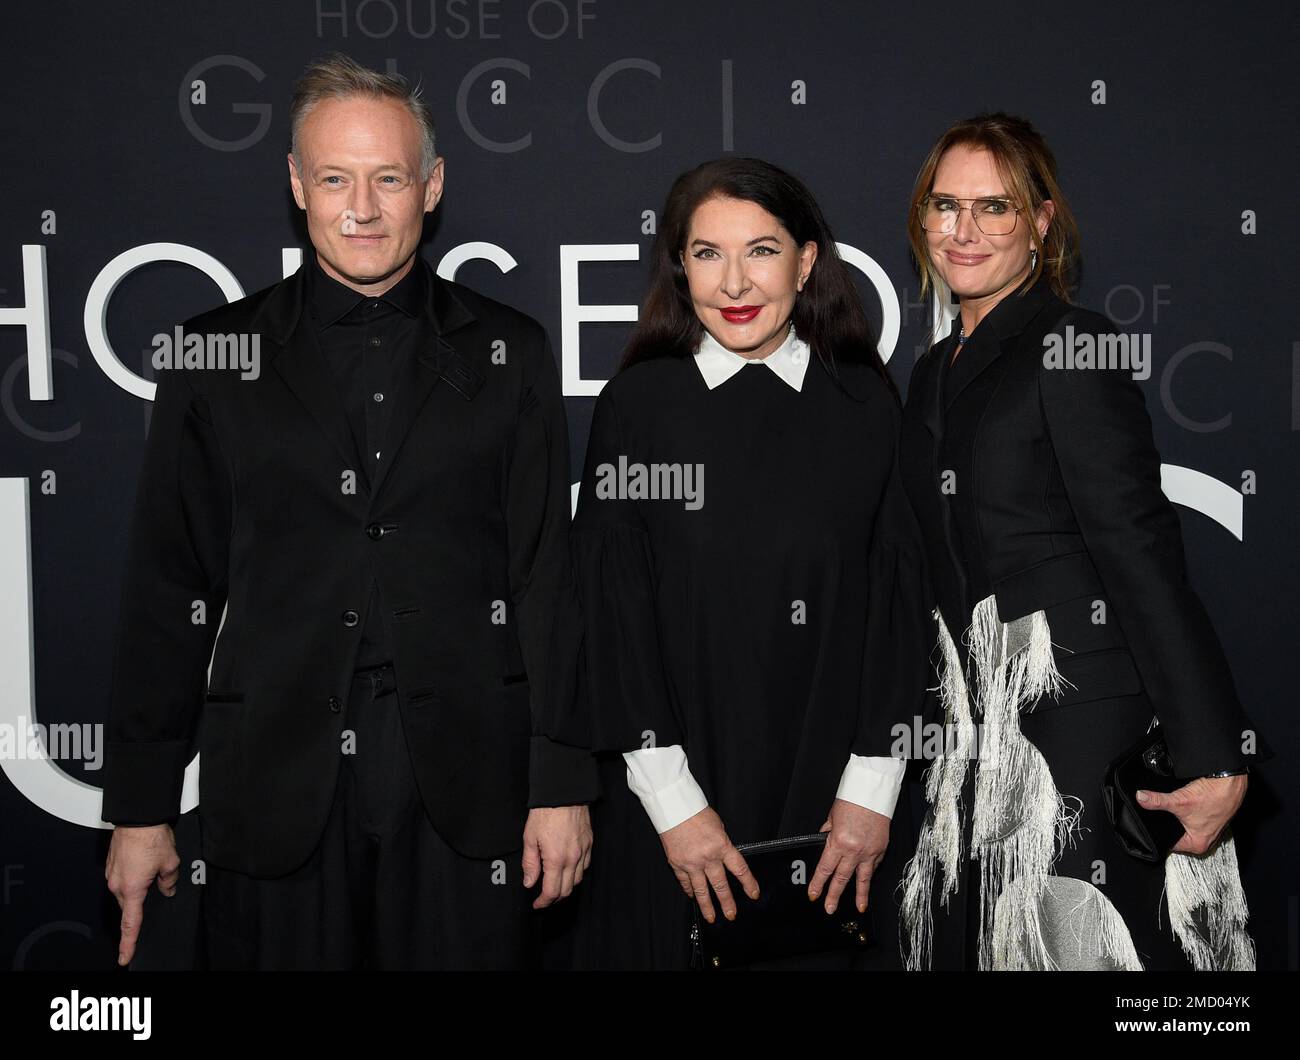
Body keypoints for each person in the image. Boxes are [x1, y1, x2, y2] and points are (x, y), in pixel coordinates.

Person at [100, 53, 596, 970]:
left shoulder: (510, 352)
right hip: (275, 778)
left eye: (388, 179)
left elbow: (544, 578)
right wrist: (140, 804)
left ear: (432, 187)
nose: (361, 208)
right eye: (335, 178)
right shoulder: (215, 357)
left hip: (464, 786)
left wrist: (560, 780)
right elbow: (170, 588)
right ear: (297, 185)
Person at [896, 112, 1262, 971]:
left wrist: (1215, 751)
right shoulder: (930, 372)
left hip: (1083, 726)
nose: (966, 230)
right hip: (979, 735)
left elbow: (1138, 545)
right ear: (922, 220)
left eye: (996, 207)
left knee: (1089, 946)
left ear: (1042, 223)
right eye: (946, 206)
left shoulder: (1071, 342)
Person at [570, 157, 929, 970]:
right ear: (680, 267)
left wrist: (871, 796)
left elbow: (901, 609)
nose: (735, 281)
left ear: (806, 263)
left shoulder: (867, 404)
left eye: (762, 251)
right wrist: (675, 808)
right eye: (707, 254)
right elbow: (612, 615)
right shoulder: (638, 408)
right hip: (671, 812)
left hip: (839, 817)